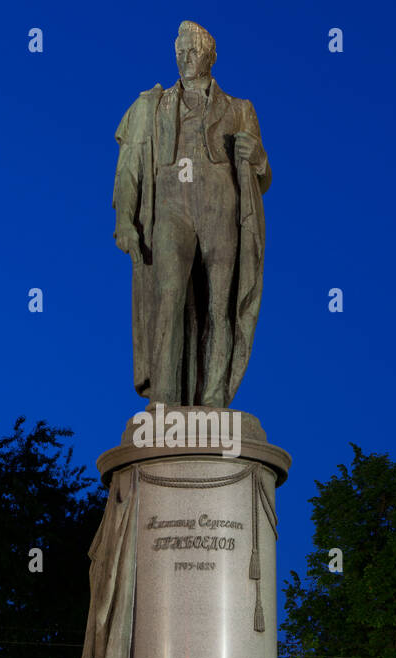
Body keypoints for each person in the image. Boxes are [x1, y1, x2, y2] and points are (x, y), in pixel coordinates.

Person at [113, 20, 271, 409]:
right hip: (170, 207)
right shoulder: (150, 105)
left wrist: (260, 158)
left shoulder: (239, 109)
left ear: (211, 57)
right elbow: (129, 165)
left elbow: (262, 175)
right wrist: (124, 220)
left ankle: (215, 397)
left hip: (222, 207)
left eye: (194, 51)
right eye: (180, 50)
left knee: (221, 304)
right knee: (167, 297)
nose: (186, 57)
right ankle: (164, 402)